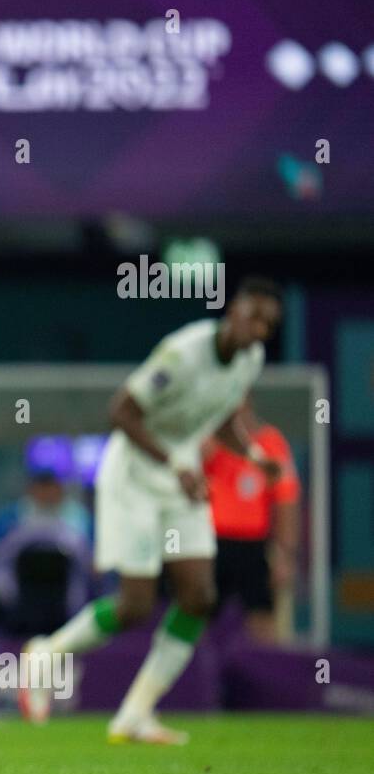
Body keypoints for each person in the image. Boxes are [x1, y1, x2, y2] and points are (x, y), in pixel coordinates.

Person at [21, 277, 284, 744]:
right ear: (233, 310)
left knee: (199, 597)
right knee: (136, 605)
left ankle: (135, 713)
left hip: (180, 477)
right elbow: (121, 411)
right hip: (134, 478)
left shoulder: (251, 360)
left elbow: (222, 416)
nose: (258, 329)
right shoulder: (183, 352)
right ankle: (46, 653)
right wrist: (172, 464)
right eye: (253, 316)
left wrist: (251, 454)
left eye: (268, 324)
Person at [202, 399, 301, 643]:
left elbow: (286, 499)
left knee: (262, 618)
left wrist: (285, 555)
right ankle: (194, 665)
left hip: (254, 546)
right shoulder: (209, 441)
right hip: (211, 545)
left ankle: (266, 667)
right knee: (199, 612)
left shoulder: (270, 443)